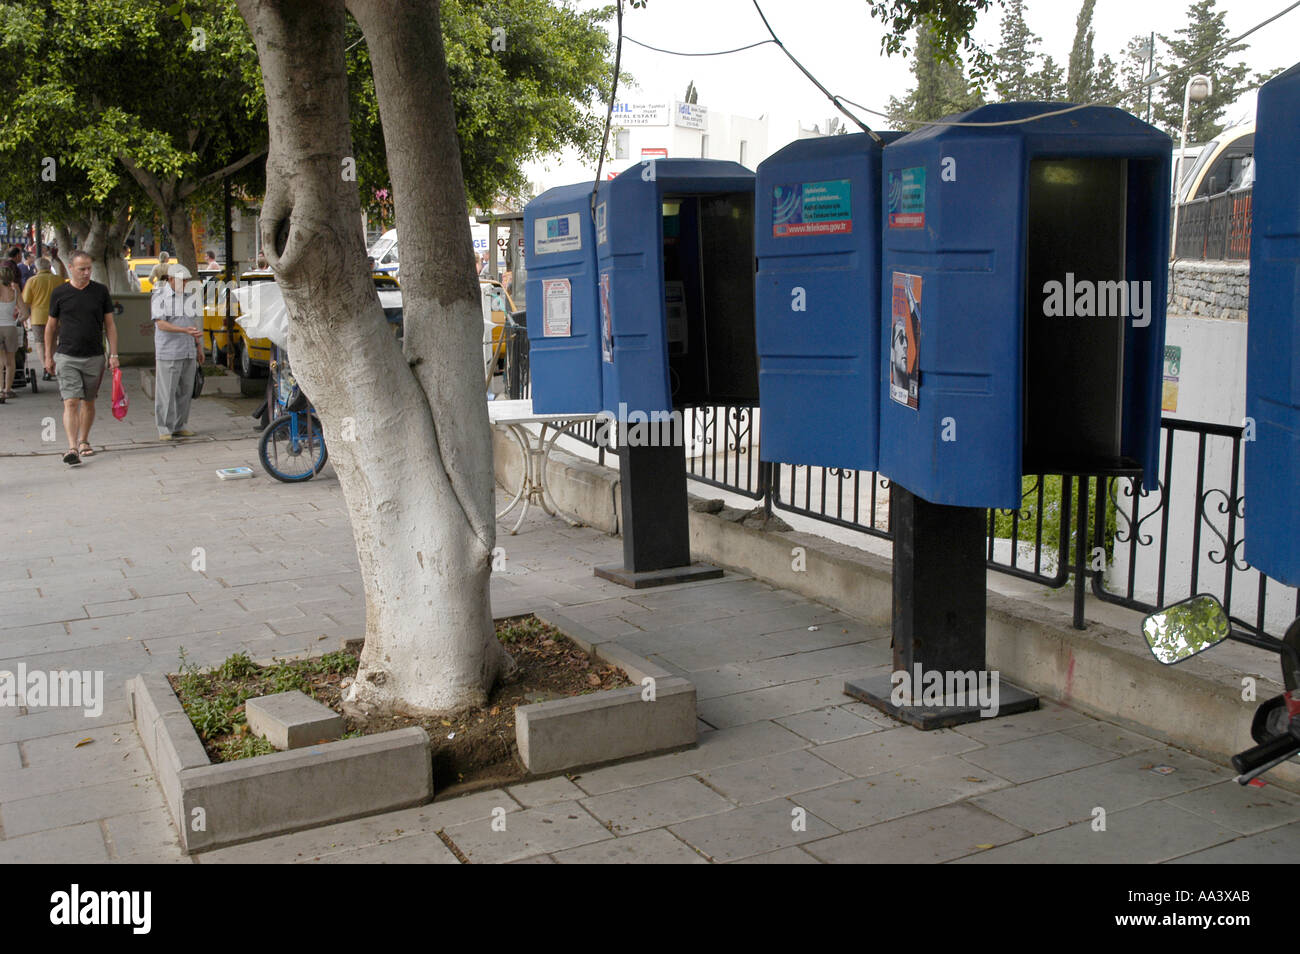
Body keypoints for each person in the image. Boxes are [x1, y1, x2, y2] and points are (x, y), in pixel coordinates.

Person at [45, 251, 118, 465]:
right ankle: (72, 447)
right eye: (82, 269)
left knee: (88, 402)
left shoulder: (100, 292)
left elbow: (110, 325)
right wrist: (48, 357)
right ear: (71, 268)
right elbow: (50, 327)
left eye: (89, 268)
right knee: (71, 401)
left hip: (94, 356)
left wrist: (113, 353)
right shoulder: (60, 293)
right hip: (66, 355)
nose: (87, 273)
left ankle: (84, 440)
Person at [150, 263, 204, 440]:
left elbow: (192, 323)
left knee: (185, 390)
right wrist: (183, 331)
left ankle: (180, 425)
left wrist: (199, 346)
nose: (185, 284)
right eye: (182, 281)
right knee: (166, 392)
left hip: (188, 350)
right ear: (171, 279)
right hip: (169, 351)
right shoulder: (159, 296)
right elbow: (160, 323)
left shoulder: (189, 297)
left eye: (187, 281)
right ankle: (164, 427)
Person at [22, 257, 64, 381]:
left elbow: (26, 301)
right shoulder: (59, 280)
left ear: (36, 268)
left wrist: (26, 316)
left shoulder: (32, 281)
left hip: (38, 317)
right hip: (56, 317)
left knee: (40, 343)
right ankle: (53, 365)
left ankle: (46, 368)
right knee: (53, 342)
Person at [0, 261, 31, 399]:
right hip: (11, 328)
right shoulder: (15, 290)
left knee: (0, 361)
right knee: (10, 360)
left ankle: (0, 389)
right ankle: (8, 389)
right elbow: (25, 313)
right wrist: (17, 320)